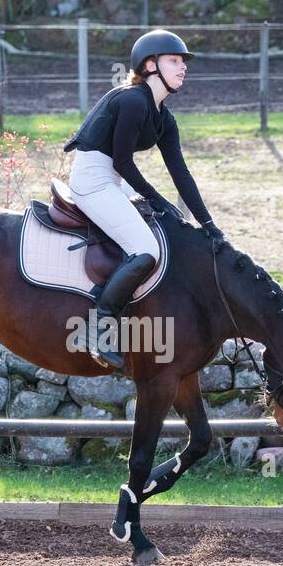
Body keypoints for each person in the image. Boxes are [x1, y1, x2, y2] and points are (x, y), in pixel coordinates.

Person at [63, 28, 221, 369]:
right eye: (174, 60)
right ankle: (99, 326)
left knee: (168, 228)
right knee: (145, 250)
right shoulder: (133, 100)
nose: (183, 68)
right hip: (92, 180)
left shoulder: (164, 118)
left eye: (183, 62)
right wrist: (158, 199)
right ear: (151, 65)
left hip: (113, 180)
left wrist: (208, 224)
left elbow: (182, 174)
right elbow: (122, 161)